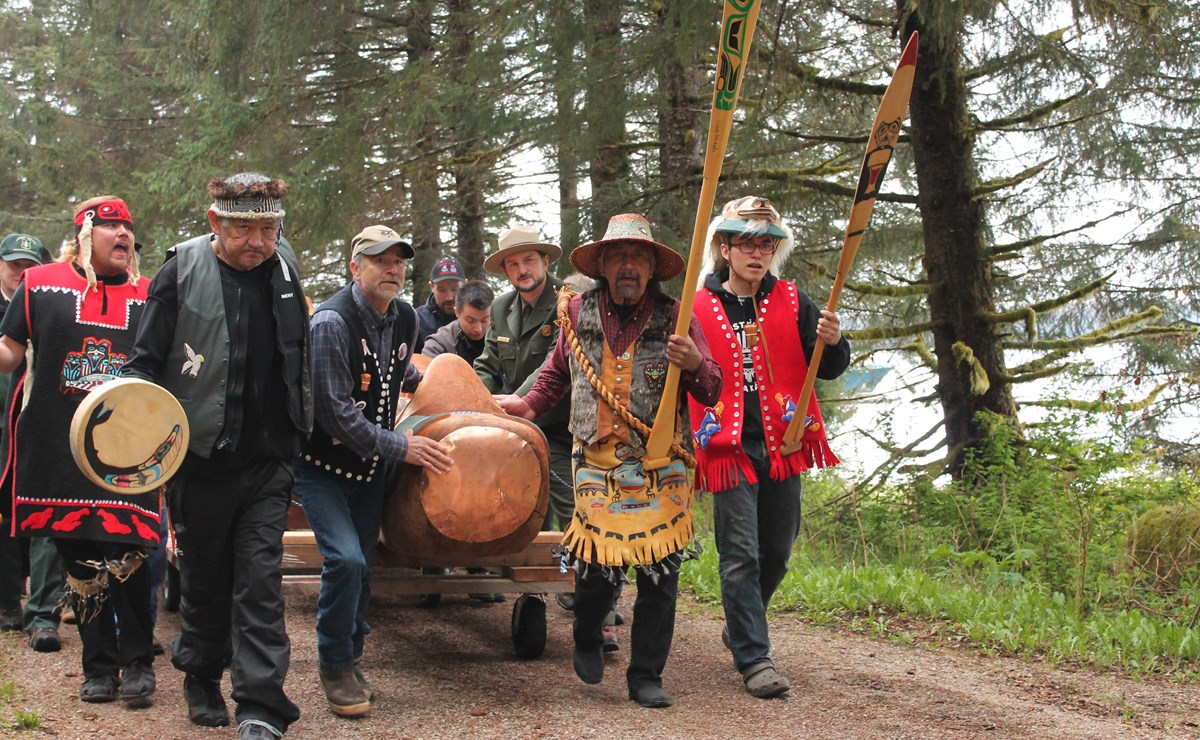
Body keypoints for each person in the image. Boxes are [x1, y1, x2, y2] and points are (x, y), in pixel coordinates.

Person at [498, 213, 722, 709]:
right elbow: (557, 373)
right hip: (595, 458)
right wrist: (528, 406)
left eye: (637, 256)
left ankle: (646, 675)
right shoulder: (576, 312)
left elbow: (712, 387)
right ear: (601, 265)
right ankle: (587, 631)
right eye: (618, 255)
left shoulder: (677, 316)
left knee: (660, 573)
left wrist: (695, 364)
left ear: (651, 268)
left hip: (662, 462)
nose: (628, 265)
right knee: (598, 568)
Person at [125, 173, 311, 740]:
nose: (258, 241)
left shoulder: (285, 266)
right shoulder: (178, 271)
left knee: (260, 582)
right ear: (214, 223)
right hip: (199, 459)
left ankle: (260, 707)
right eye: (244, 229)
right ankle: (201, 675)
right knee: (205, 581)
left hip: (268, 459)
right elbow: (144, 363)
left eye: (268, 228)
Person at [689, 196, 849, 698]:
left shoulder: (793, 300)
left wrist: (834, 339)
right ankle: (754, 657)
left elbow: (828, 367)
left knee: (776, 551)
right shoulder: (695, 307)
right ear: (725, 247)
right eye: (747, 244)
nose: (757, 254)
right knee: (740, 554)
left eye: (766, 244)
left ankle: (741, 624)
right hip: (727, 447)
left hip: (785, 442)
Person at [0, 199, 158, 706]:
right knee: (82, 559)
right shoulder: (41, 284)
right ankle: (99, 667)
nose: (123, 235)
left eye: (128, 228)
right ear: (85, 233)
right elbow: (10, 354)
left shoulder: (149, 295)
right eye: (111, 226)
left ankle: (138, 662)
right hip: (59, 448)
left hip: (129, 452)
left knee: (130, 552)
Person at [296, 225, 452, 717]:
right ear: (354, 267)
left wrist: (460, 392)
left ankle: (351, 657)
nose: (392, 269)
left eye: (399, 261)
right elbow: (334, 412)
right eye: (380, 260)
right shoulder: (330, 323)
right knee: (347, 561)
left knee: (364, 572)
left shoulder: (403, 317)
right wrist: (400, 447)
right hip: (321, 467)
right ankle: (334, 665)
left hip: (369, 471)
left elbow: (401, 375)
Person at [473, 225, 573, 531]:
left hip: (561, 430)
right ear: (504, 271)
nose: (522, 270)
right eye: (513, 264)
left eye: (528, 260)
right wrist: (473, 400)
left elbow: (554, 363)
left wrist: (521, 401)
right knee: (512, 508)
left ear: (546, 261)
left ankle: (594, 574)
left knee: (574, 511)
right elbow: (487, 363)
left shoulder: (568, 301)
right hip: (515, 426)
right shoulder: (501, 307)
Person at [0, 234, 64, 647]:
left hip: (39, 421)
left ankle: (42, 611)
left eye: (29, 265)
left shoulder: (50, 303)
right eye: (14, 265)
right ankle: (8, 601)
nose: (21, 273)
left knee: (44, 514)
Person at [420, 279, 494, 365]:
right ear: (457, 312)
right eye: (470, 321)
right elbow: (427, 374)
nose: (478, 329)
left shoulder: (503, 335)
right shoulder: (439, 343)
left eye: (485, 320)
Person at [414, 256, 465, 353]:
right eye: (441, 290)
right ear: (432, 287)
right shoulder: (416, 321)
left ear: (465, 285)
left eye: (455, 289)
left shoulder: (476, 318)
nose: (449, 297)